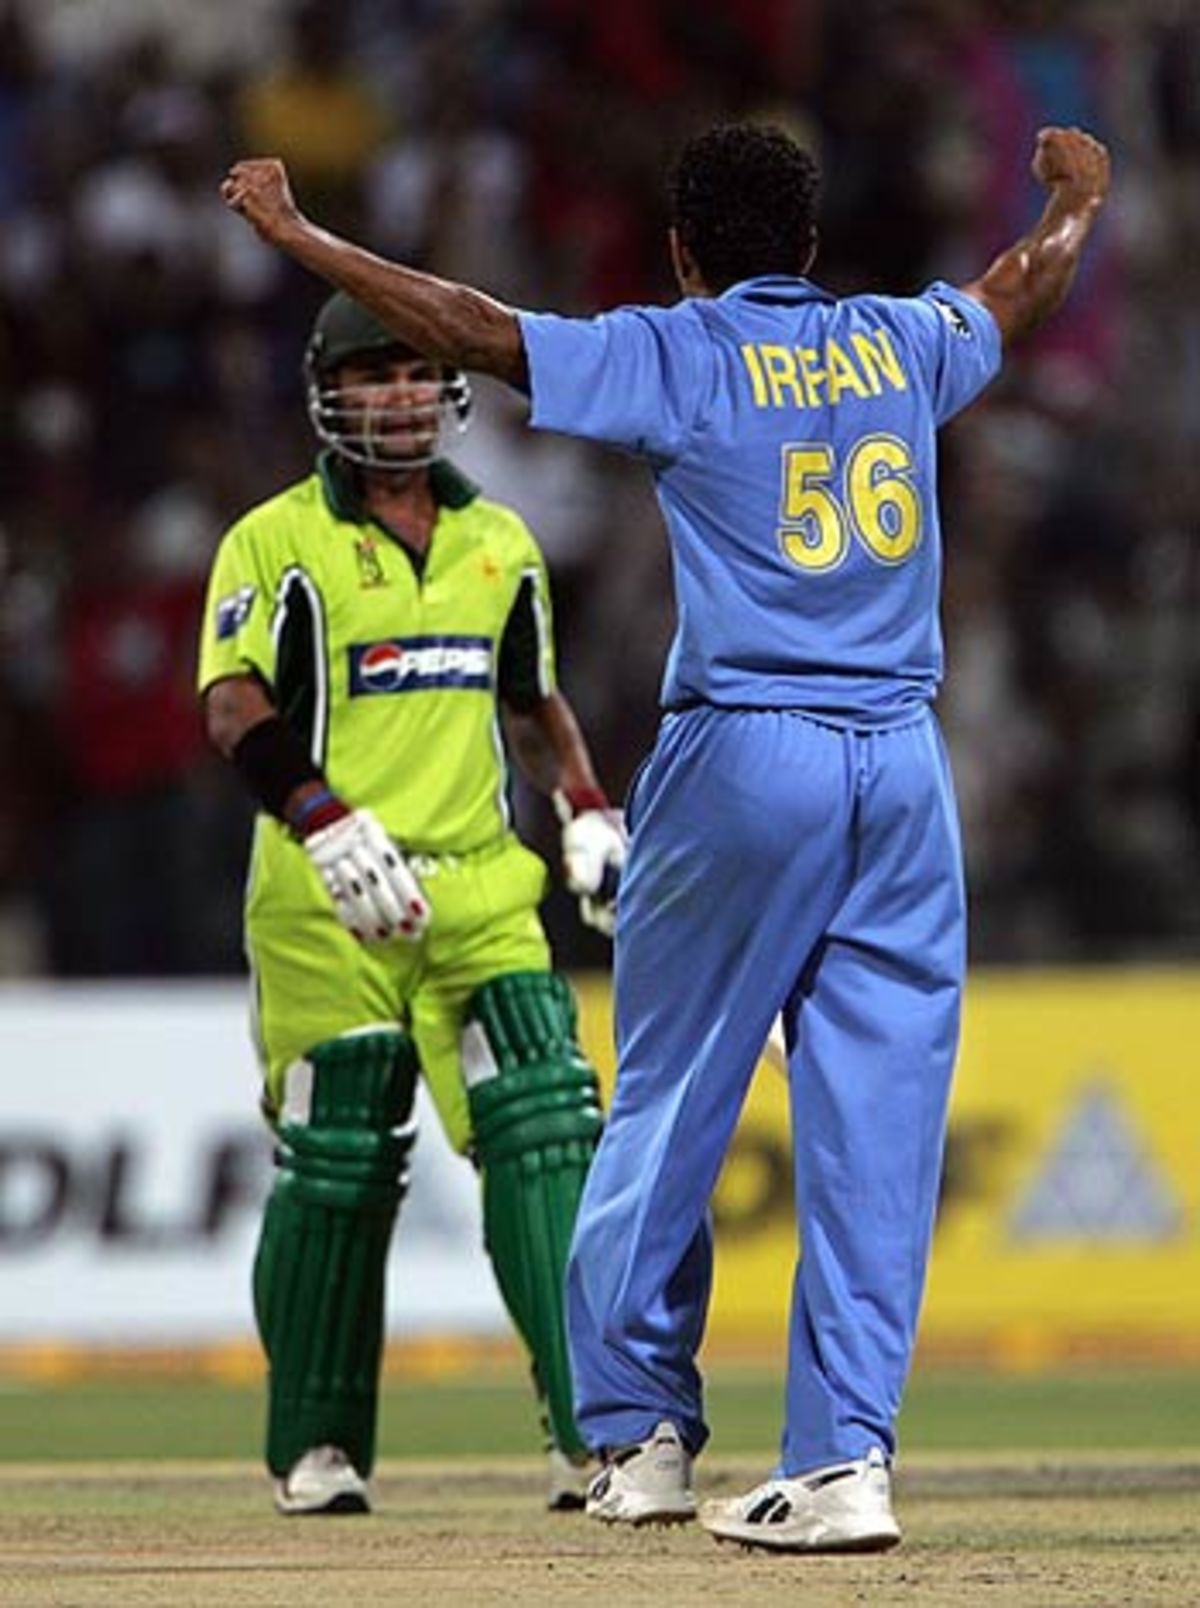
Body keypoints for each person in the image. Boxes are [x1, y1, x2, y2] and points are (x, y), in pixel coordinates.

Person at [221, 119, 1110, 1550]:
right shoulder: (900, 342)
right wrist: (1077, 198)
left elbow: (475, 329)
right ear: (810, 249)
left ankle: (638, 1437)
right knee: (880, 1126)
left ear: (687, 255)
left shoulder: (680, 351)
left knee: (670, 1094)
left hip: (746, 750)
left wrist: (297, 238)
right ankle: (843, 1467)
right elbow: (1019, 286)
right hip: (903, 760)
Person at [196, 289, 627, 1516]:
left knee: (547, 1127)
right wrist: (321, 819)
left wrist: (586, 804)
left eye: (411, 372)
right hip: (325, 899)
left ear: (448, 389)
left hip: (479, 893)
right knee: (340, 1156)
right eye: (367, 375)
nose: (392, 395)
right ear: (328, 395)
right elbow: (233, 702)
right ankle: (317, 1447)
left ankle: (592, 1433)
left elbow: (533, 703)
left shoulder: (501, 542)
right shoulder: (274, 542)